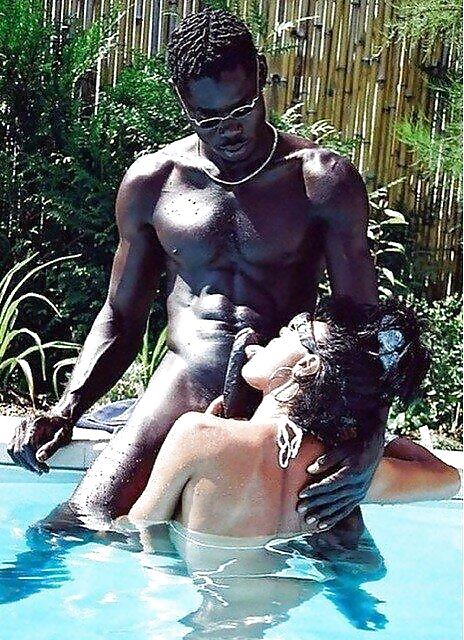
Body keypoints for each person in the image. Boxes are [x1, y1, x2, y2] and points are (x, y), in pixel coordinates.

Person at [9, 8, 381, 524]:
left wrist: (368, 437)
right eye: (207, 118)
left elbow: (362, 321)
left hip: (285, 396)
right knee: (75, 523)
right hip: (184, 380)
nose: (228, 130)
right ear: (182, 101)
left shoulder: (321, 181)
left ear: (261, 75)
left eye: (242, 109)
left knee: (337, 545)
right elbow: (120, 316)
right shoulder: (154, 184)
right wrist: (65, 409)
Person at [125, 301, 460, 537]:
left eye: (291, 334)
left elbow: (137, 532)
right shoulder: (340, 479)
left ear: (307, 367)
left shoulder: (197, 435)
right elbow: (449, 479)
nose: (277, 334)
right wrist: (374, 440)